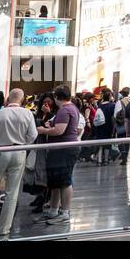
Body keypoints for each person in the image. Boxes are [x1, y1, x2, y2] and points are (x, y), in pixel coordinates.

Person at [0, 89, 38, 239]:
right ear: (23, 99)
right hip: (19, 151)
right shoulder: (27, 114)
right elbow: (33, 135)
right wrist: (23, 144)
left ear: (7, 99)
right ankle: (3, 229)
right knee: (12, 193)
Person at [37, 85, 81, 226]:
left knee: (64, 181)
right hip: (62, 149)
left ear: (56, 97)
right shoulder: (71, 108)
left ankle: (64, 213)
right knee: (55, 182)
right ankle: (53, 211)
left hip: (64, 149)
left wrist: (42, 130)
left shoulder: (64, 110)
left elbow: (59, 131)